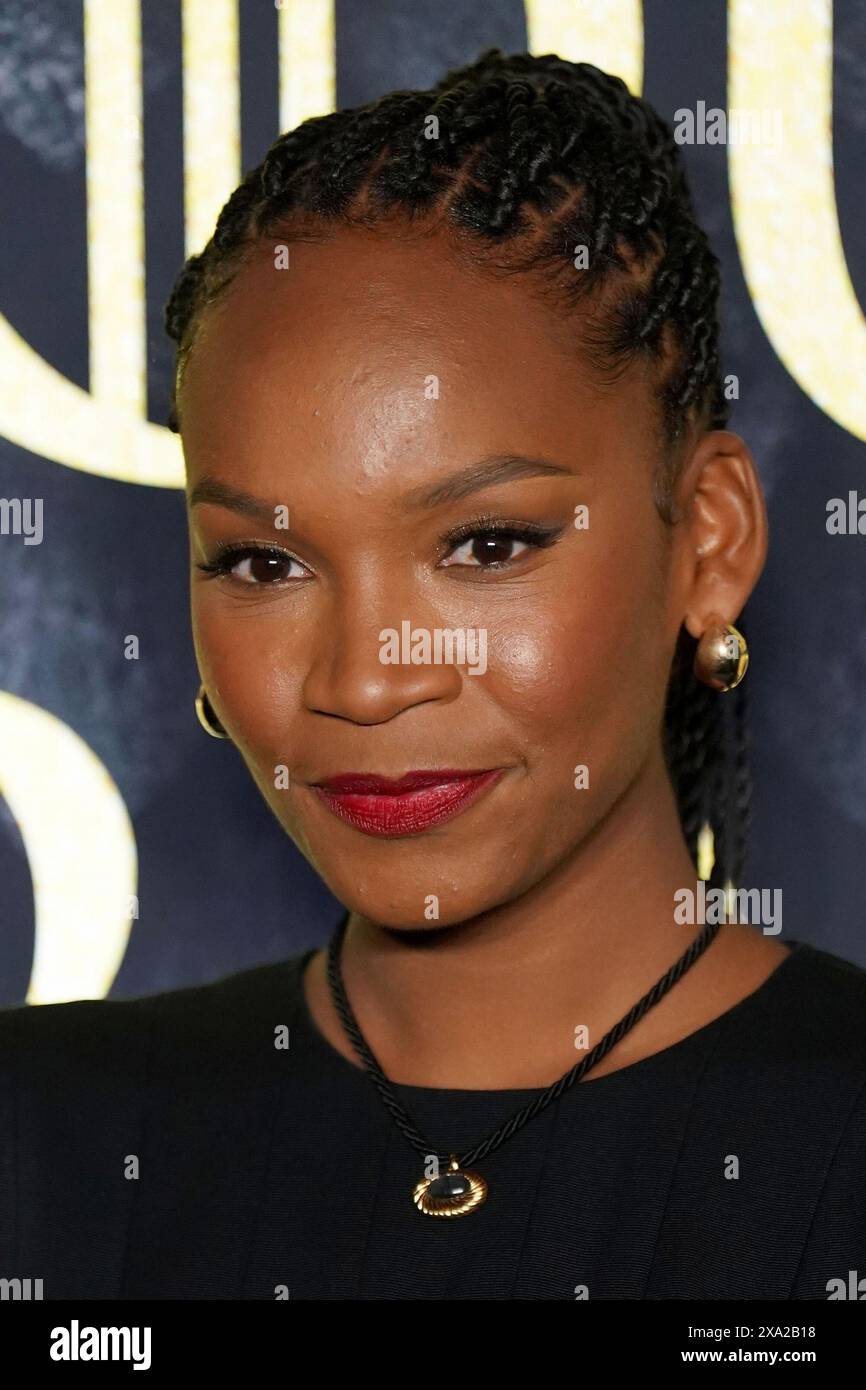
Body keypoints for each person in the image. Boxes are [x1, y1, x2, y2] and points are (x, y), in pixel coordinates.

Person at [2, 48, 865, 1301]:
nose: (365, 679)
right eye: (261, 564)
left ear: (710, 540)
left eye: (487, 545)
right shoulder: (45, 1144)